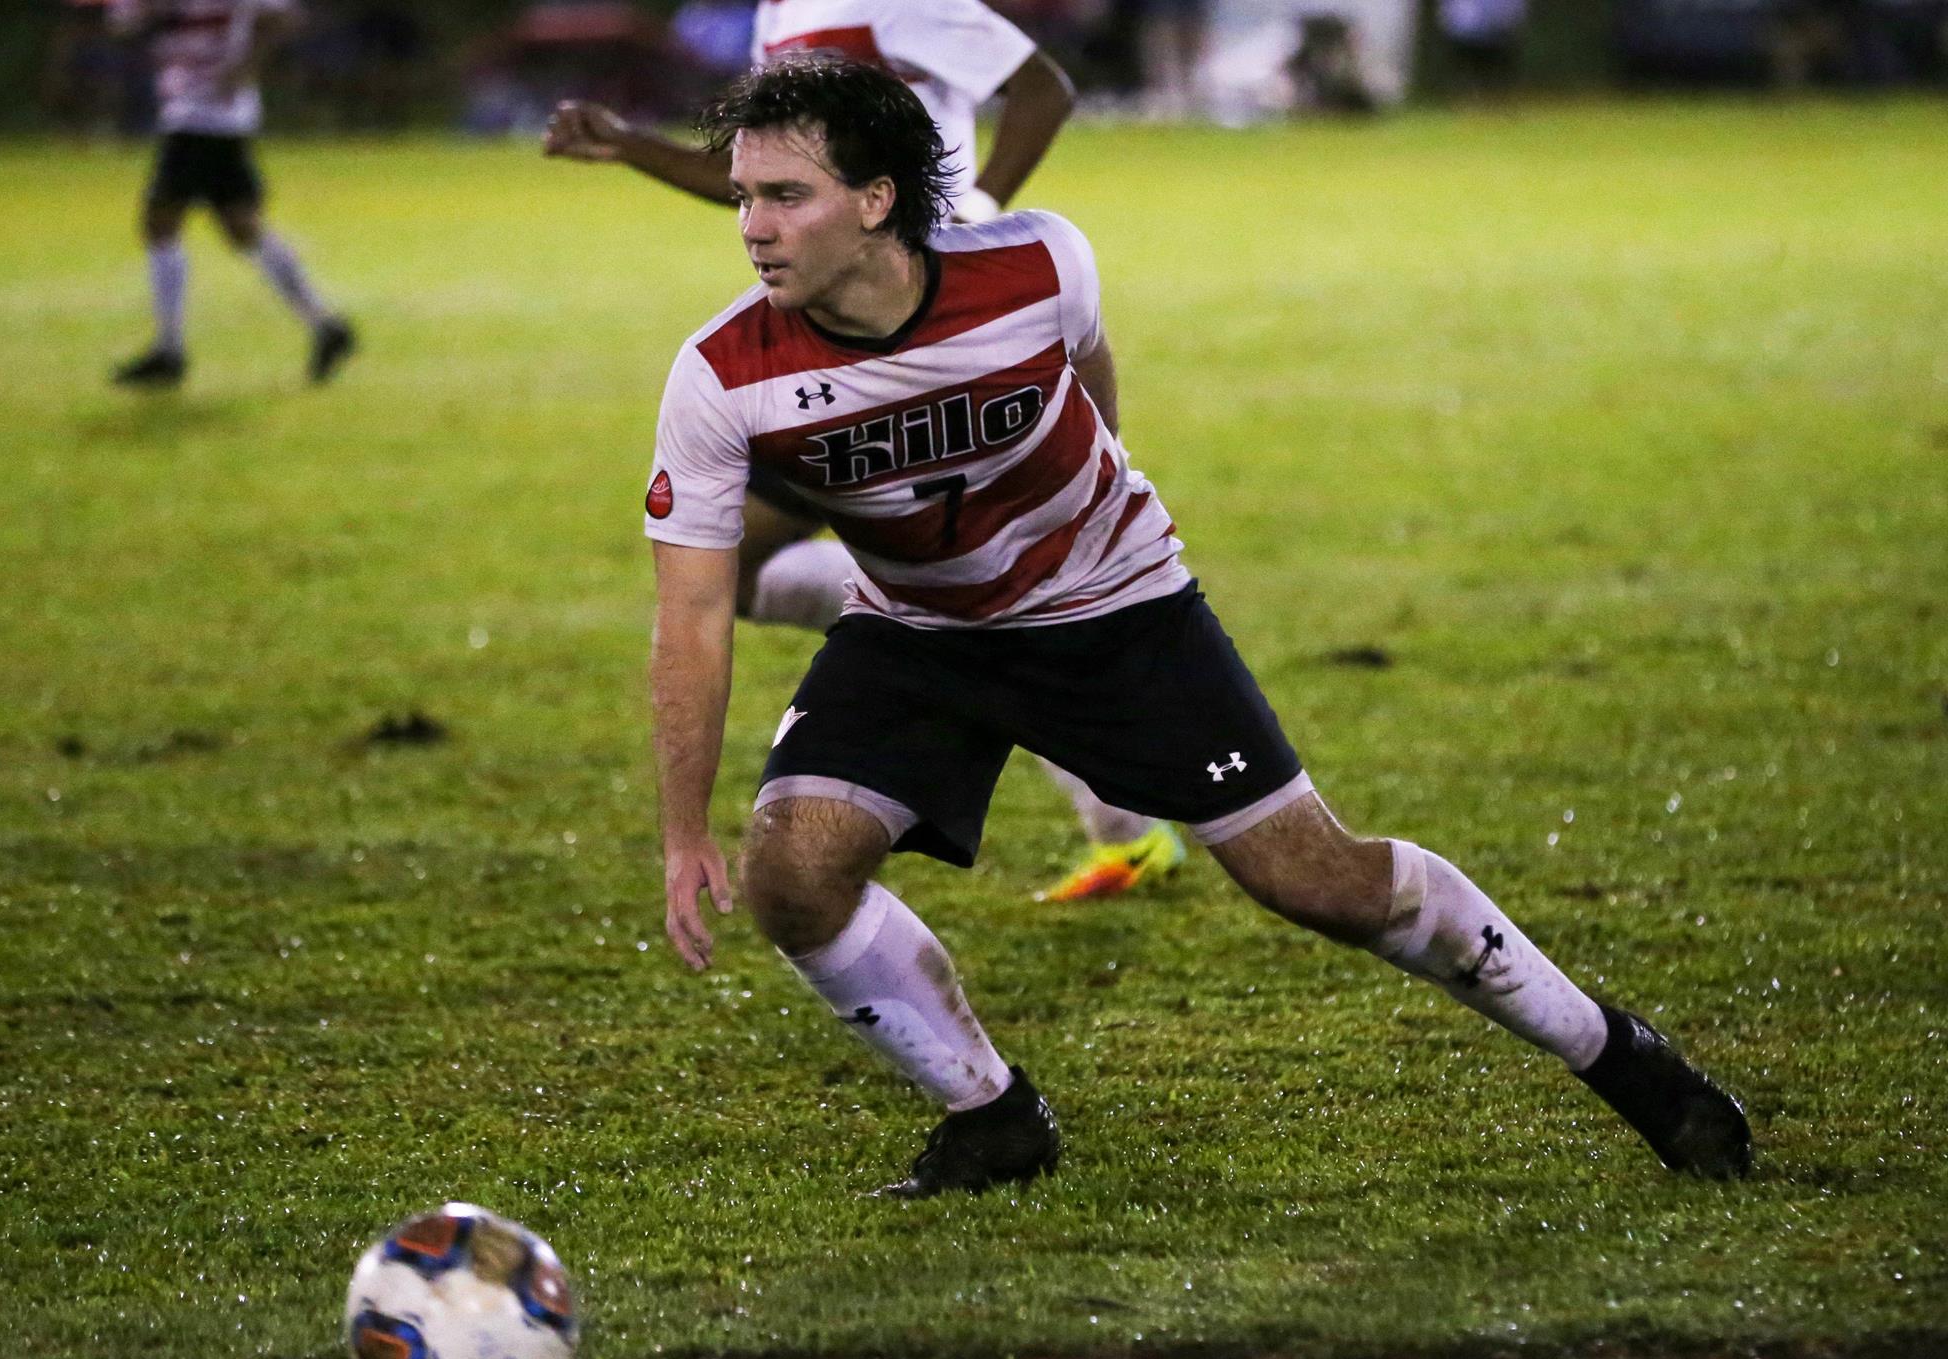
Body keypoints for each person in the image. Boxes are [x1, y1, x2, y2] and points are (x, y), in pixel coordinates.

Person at [640, 56, 1755, 1199]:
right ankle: (991, 1115)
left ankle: (1622, 1061)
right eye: (742, 199)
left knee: (1317, 881)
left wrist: (1098, 526)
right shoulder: (723, 376)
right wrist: (685, 831)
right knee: (794, 876)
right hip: (916, 632)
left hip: (1118, 617)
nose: (752, 229)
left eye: (786, 197)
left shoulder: (1036, 263)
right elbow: (690, 619)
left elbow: (1085, 372)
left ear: (876, 199)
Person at [546, 0, 1188, 903]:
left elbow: (1042, 89)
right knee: (753, 578)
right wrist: (627, 145)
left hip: (924, 342)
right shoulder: (783, 17)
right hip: (834, 341)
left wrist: (973, 223)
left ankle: (1120, 810)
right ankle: (1119, 815)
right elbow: (762, 176)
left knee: (747, 576)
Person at [108, 0, 356, 388]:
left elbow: (286, 17)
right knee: (242, 229)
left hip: (206, 116)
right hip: (199, 113)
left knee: (161, 223)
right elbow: (122, 26)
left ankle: (169, 351)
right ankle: (327, 326)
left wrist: (246, 64)